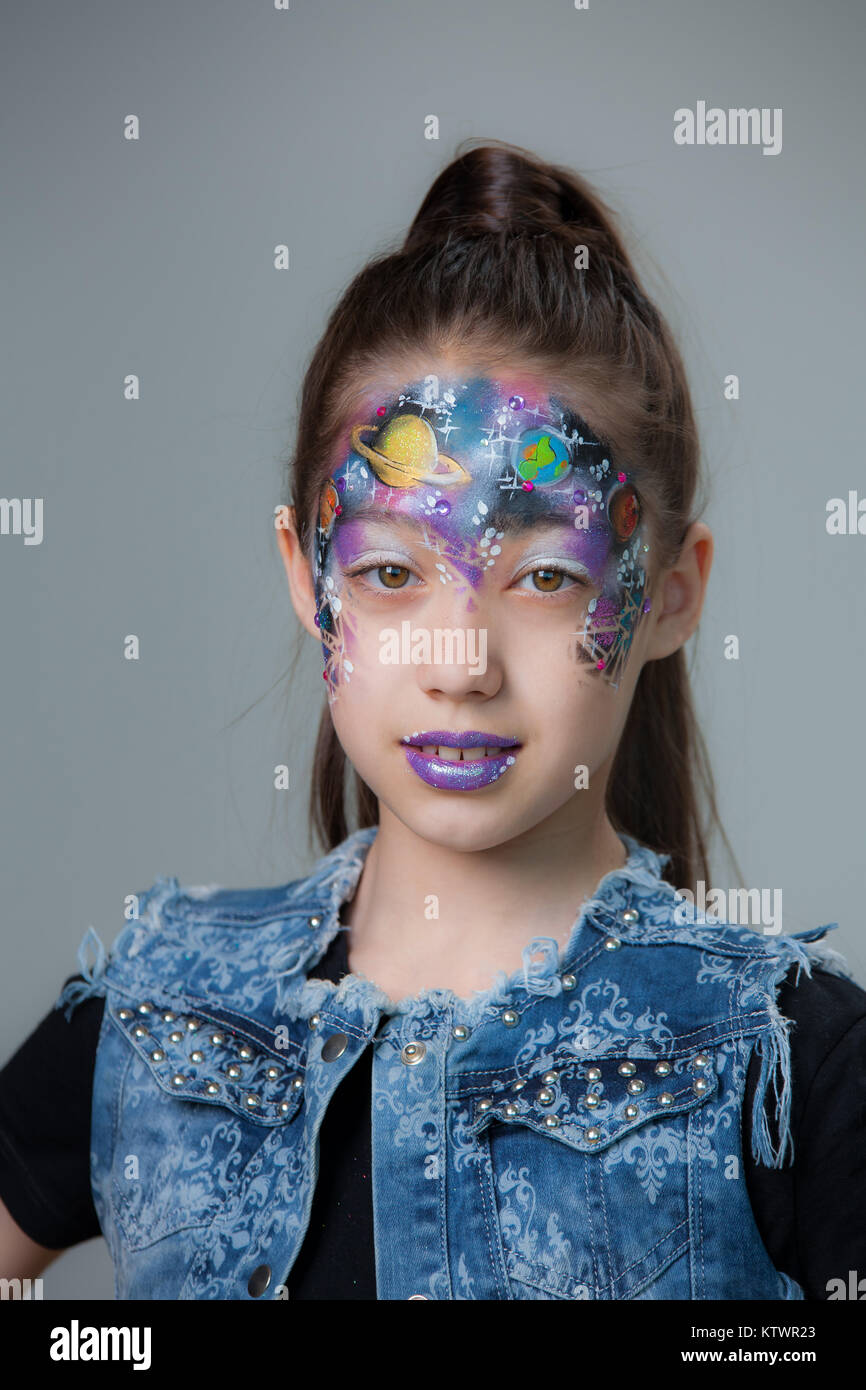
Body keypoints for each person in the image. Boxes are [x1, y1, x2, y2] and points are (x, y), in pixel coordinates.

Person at [1, 141, 864, 1302]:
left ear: (668, 593)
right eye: (392, 573)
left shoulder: (798, 1067)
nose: (461, 664)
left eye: (547, 576)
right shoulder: (158, 1014)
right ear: (307, 581)